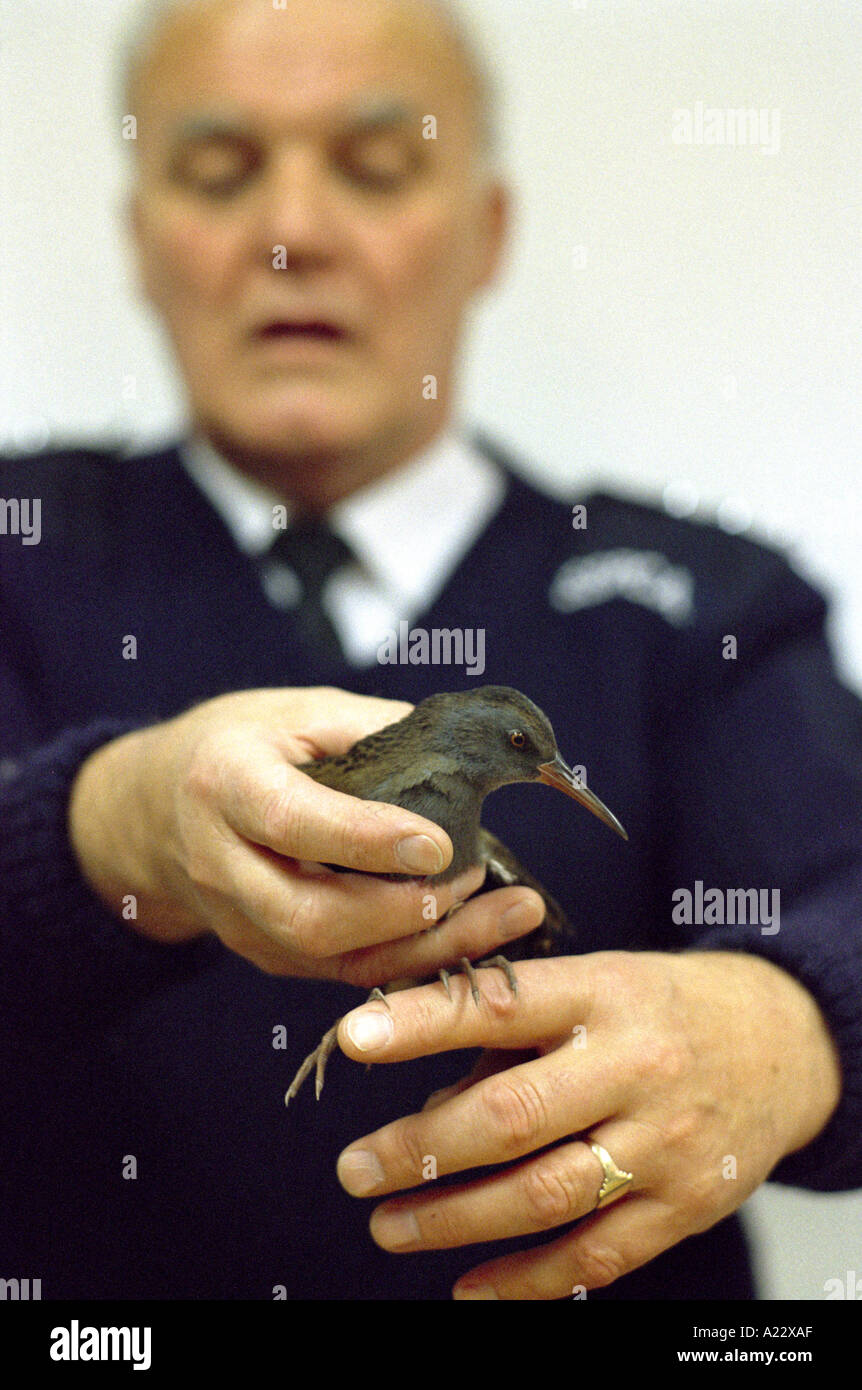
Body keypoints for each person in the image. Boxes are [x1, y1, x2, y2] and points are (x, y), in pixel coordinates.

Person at [1, 0, 859, 1302]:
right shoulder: (20, 554)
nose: (293, 234)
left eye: (376, 165)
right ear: (140, 237)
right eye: (219, 171)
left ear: (485, 231)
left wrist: (791, 1023)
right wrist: (113, 818)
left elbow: (840, 886)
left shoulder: (695, 602)